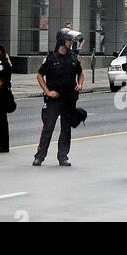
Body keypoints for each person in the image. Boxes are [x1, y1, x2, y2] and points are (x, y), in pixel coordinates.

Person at [33, 28, 84, 167]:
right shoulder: (51, 59)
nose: (71, 42)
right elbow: (39, 75)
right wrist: (48, 91)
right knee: (48, 127)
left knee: (66, 128)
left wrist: (80, 84)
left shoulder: (73, 58)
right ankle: (39, 156)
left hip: (69, 99)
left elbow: (80, 73)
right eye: (68, 40)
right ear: (62, 41)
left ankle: (63, 157)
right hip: (54, 99)